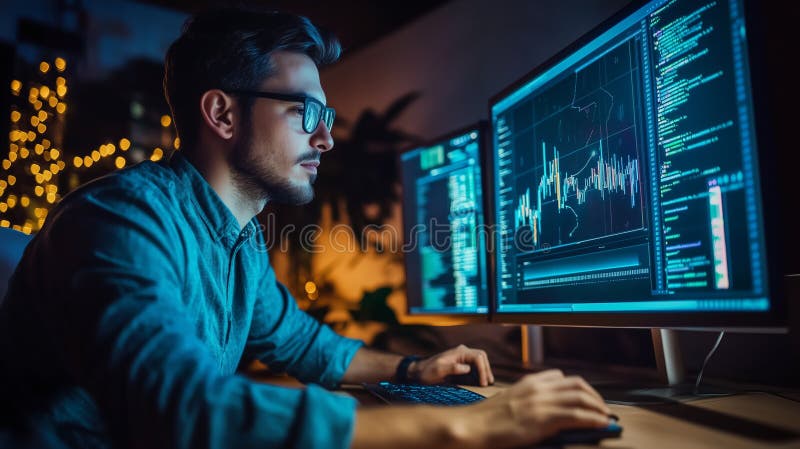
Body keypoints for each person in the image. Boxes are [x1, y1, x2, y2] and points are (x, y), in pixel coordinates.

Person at [0, 8, 612, 449]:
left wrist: (412, 371)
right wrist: (469, 424)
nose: (325, 138)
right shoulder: (118, 222)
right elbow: (185, 412)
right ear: (222, 113)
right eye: (305, 112)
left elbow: (302, 344)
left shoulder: (239, 242)